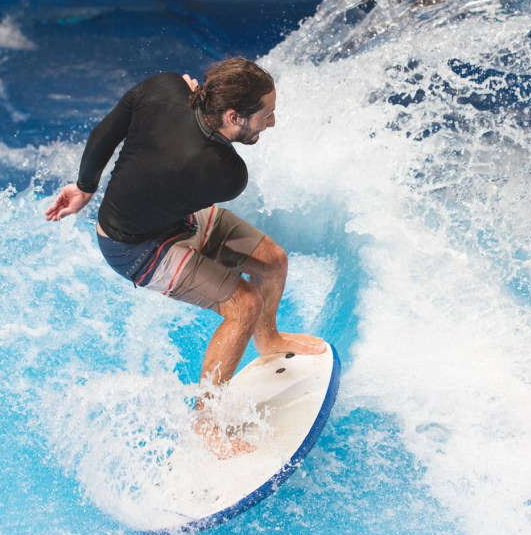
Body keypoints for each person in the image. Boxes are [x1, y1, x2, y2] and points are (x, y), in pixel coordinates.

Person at [44, 57, 327, 458]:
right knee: (243, 304)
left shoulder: (163, 86)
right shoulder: (225, 172)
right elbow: (183, 162)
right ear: (232, 116)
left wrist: (85, 185)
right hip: (136, 247)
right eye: (267, 115)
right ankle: (206, 424)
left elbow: (105, 132)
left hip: (173, 215)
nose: (272, 123)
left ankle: (269, 338)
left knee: (272, 260)